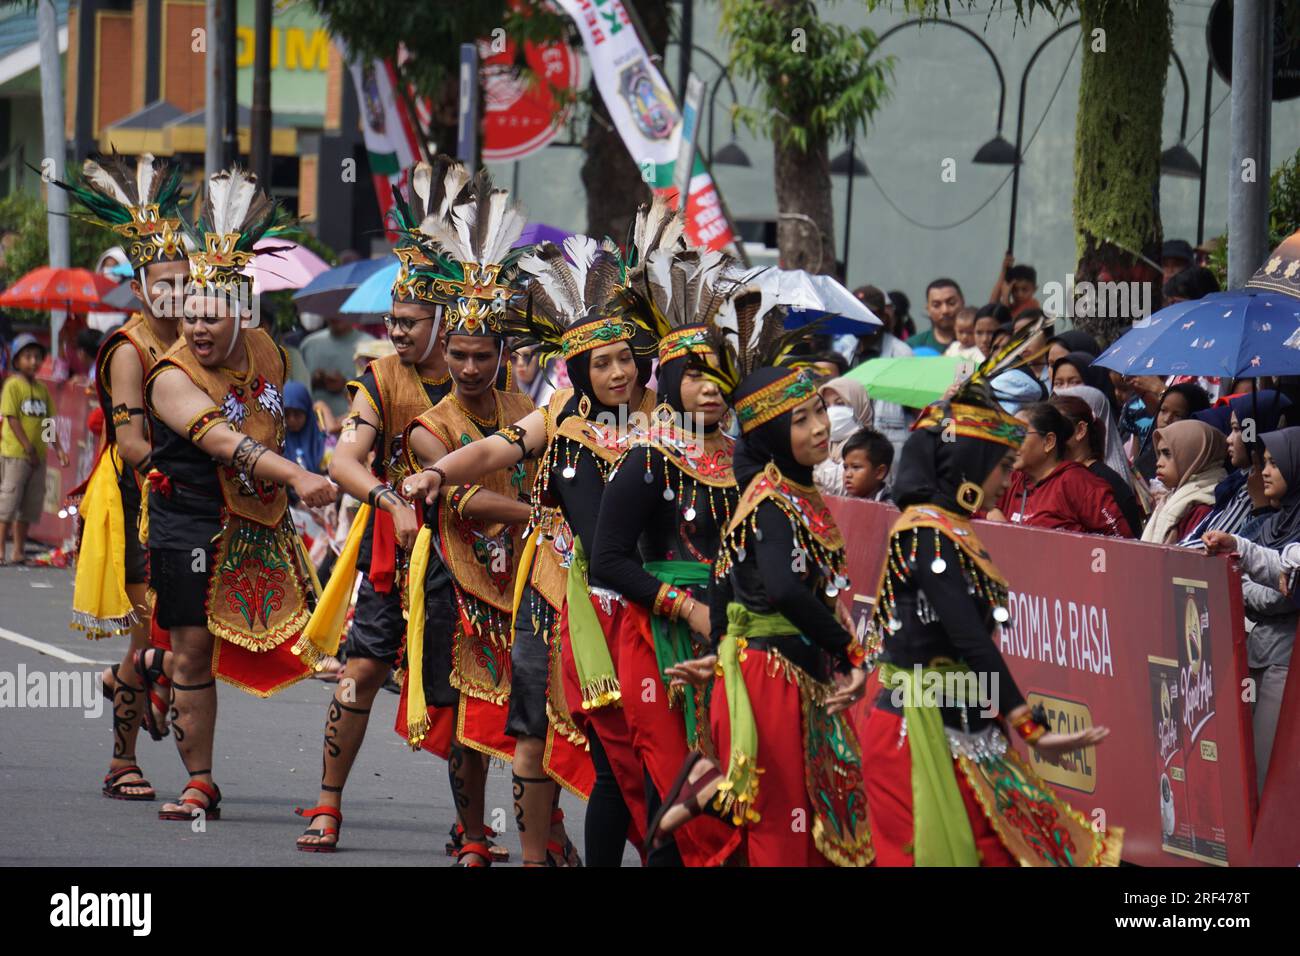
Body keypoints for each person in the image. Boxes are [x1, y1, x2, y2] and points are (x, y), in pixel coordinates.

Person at [401, 200, 672, 866]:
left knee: (640, 740)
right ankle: (531, 855)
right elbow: (494, 451)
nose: (618, 372)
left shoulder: (665, 421)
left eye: (624, 359)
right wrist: (437, 474)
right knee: (532, 732)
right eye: (602, 363)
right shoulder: (559, 419)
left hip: (639, 600)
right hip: (554, 592)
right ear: (581, 373)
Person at [291, 158, 512, 856]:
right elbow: (343, 460)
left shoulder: (496, 384)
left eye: (413, 322)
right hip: (398, 552)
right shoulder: (382, 378)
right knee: (362, 672)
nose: (400, 331)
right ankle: (328, 804)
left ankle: (473, 828)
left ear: (451, 329)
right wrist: (389, 499)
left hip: (477, 556)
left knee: (473, 689)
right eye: (394, 319)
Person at [860, 333, 1119, 866]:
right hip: (918, 729)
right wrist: (1030, 726)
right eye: (1001, 467)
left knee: (1012, 848)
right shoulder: (926, 531)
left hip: (963, 719)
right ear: (969, 468)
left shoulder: (952, 530)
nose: (1009, 478)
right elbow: (968, 635)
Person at [144, 166, 336, 821]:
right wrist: (300, 477)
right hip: (187, 522)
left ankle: (329, 797)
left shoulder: (265, 349)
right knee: (191, 650)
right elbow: (230, 444)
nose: (198, 328)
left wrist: (309, 483)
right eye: (190, 315)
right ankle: (199, 780)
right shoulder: (170, 376)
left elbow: (273, 428)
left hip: (256, 520)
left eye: (212, 315)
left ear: (240, 311)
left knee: (324, 651)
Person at [648, 312, 873, 867]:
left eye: (819, 410)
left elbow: (726, 576)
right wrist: (851, 650)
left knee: (812, 819)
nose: (820, 426)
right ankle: (708, 782)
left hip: (769, 671)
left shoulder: (787, 494)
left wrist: (720, 650)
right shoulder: (772, 503)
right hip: (772, 680)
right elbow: (783, 590)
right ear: (773, 434)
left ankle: (709, 781)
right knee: (782, 825)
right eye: (801, 420)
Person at [400, 197, 548, 866]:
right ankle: (474, 833)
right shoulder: (431, 426)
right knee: (465, 713)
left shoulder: (528, 410)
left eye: (480, 354)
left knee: (531, 714)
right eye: (457, 354)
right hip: (456, 577)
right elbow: (466, 501)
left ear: (503, 353)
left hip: (527, 579)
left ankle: (544, 839)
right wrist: (540, 516)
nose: (467, 367)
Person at [586, 247, 743, 867]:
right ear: (671, 381)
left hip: (735, 633)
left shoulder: (749, 457)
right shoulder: (649, 455)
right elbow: (608, 560)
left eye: (720, 374)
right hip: (661, 634)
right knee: (670, 782)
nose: (709, 388)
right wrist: (690, 611)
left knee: (734, 781)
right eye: (695, 374)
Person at [49, 152, 193, 801]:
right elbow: (134, 442)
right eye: (162, 284)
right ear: (139, 289)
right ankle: (121, 761)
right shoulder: (131, 349)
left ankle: (136, 679)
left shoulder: (196, 343)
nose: (175, 294)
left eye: (184, 283)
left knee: (184, 629)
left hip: (189, 500)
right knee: (148, 631)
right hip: (142, 499)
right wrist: (181, 466)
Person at [1204, 427, 1300, 790]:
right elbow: (1241, 572)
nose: (1265, 473)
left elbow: (1282, 594)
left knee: (1266, 770)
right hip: (1250, 654)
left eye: (1275, 463)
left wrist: (1244, 584)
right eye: (1264, 463)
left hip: (1284, 662)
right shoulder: (1269, 523)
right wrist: (1245, 575)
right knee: (1239, 767)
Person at [999, 401, 1134, 537]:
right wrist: (991, 514)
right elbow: (981, 506)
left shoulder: (1077, 483)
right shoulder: (1012, 479)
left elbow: (1121, 538)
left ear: (1049, 442)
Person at [1176, 390, 1291, 546]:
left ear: (1254, 432)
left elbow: (1212, 547)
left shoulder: (1255, 487)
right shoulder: (1238, 481)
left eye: (1237, 429)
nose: (1228, 439)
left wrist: (1261, 509)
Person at [0, 335, 66, 564]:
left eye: (37, 357)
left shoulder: (42, 390)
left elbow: (48, 422)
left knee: (28, 506)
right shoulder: (12, 385)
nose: (33, 361)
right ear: (17, 361)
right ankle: (0, 550)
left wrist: (58, 449)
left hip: (37, 457)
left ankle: (18, 551)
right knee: (8, 503)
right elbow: (11, 417)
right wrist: (27, 446)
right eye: (28, 356)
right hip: (16, 454)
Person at [1050, 393, 1144, 536]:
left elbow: (1126, 541)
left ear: (1080, 430)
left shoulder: (1107, 481)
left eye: (1056, 428)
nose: (1048, 437)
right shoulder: (1048, 475)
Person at [1140, 420, 1227, 545]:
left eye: (1167, 454)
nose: (1159, 463)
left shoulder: (1202, 509)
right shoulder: (1173, 498)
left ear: (1193, 455)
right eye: (1159, 454)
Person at [1132, 382, 1211, 483]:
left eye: (1178, 415)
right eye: (1163, 410)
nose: (1166, 419)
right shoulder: (1143, 463)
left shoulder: (1200, 472)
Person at [300, 317, 377, 416]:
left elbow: (377, 392)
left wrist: (345, 385)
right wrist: (314, 382)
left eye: (341, 308)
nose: (336, 314)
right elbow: (296, 388)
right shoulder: (309, 345)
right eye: (332, 307)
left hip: (357, 424)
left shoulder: (370, 346)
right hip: (314, 425)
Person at [813, 375, 873, 497]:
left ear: (859, 404)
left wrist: (817, 459)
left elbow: (846, 488)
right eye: (826, 406)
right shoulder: (827, 442)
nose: (832, 411)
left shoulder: (872, 446)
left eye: (840, 404)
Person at [283, 381, 328, 475]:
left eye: (297, 413)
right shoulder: (277, 445)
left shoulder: (323, 441)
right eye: (286, 414)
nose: (292, 420)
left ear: (307, 412)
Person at [910, 278, 963, 352]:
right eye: (936, 305)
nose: (945, 310)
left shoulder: (979, 344)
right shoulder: (912, 346)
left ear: (962, 303)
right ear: (928, 309)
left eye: (951, 303)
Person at [840, 427, 893, 500]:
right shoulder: (843, 499)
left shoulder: (892, 508)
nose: (848, 475)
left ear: (879, 472)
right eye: (845, 467)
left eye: (856, 467)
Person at [990, 253, 1040, 319]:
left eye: (1024, 290)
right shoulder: (1011, 306)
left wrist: (1005, 297)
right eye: (1015, 290)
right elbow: (991, 306)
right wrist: (1004, 270)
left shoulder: (1033, 306)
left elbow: (1009, 324)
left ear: (1034, 289)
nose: (1020, 294)